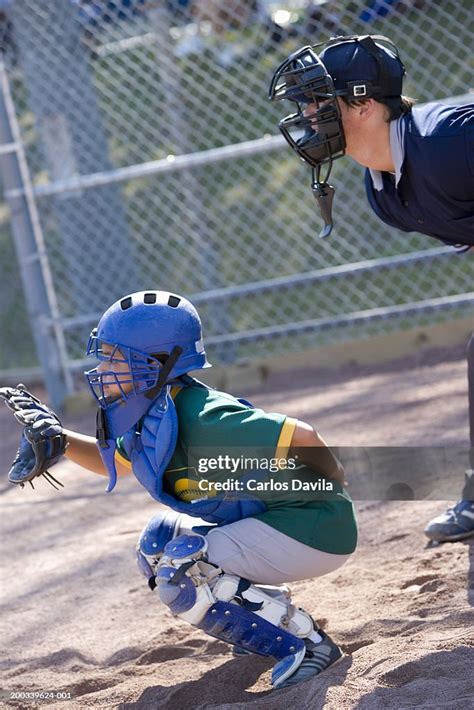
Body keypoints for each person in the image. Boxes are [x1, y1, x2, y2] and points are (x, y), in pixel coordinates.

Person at [45, 290, 357, 690]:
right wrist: (60, 441)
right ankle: (263, 618)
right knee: (158, 541)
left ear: (155, 363)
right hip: (282, 521)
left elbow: (300, 433)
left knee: (182, 567)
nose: (102, 368)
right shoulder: (154, 411)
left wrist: (334, 476)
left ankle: (308, 643)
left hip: (316, 531)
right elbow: (118, 464)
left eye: (113, 357)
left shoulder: (204, 417)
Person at [269, 34, 474, 542]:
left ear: (362, 102)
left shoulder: (450, 144)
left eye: (318, 100)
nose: (309, 114)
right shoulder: (386, 190)